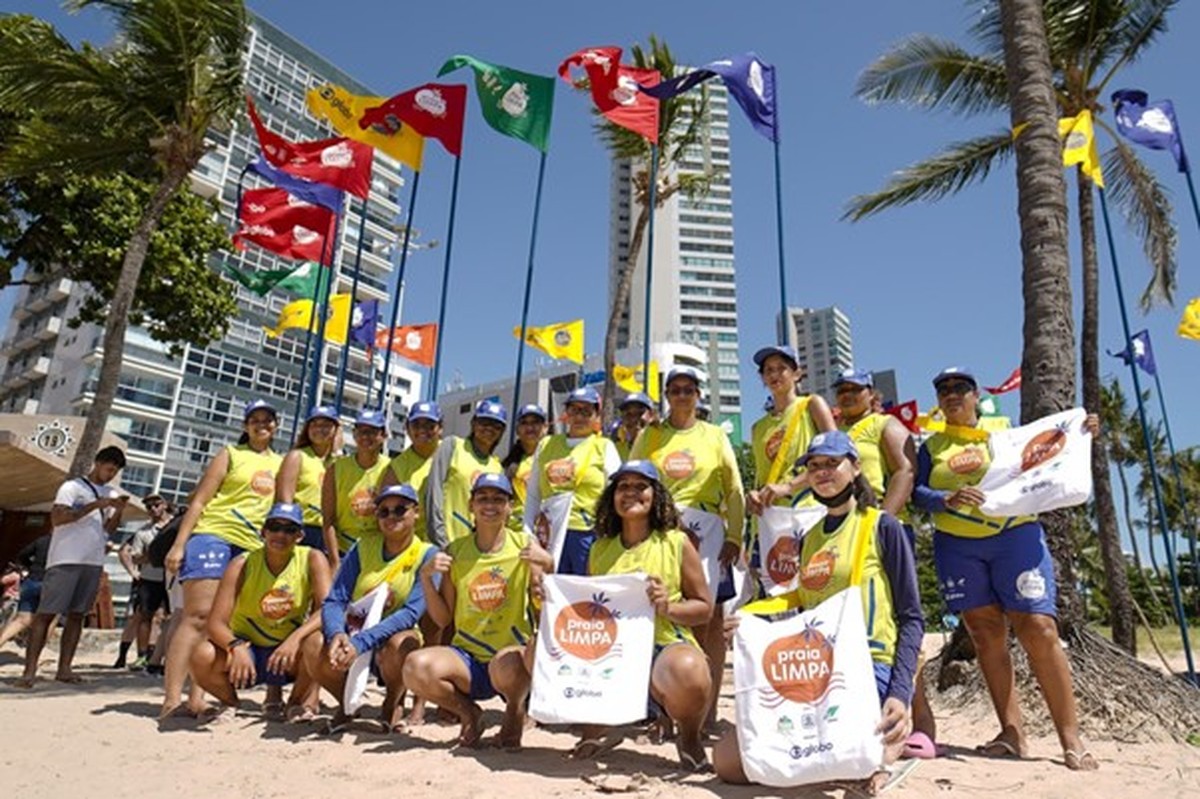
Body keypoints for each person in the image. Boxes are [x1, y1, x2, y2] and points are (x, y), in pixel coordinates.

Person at [714, 431, 924, 791]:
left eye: (832, 463)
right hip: (816, 669)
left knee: (841, 752)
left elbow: (912, 617)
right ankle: (861, 762)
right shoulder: (809, 536)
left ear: (855, 468)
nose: (822, 472)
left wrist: (900, 693)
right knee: (729, 762)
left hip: (868, 667)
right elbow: (800, 598)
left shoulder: (881, 526)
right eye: (814, 466)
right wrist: (749, 616)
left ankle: (880, 757)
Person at [913, 367, 1099, 771]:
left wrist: (1083, 430)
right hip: (958, 546)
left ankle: (1071, 737)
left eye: (960, 387)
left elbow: (1049, 448)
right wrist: (945, 498)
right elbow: (918, 493)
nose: (951, 394)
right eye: (943, 389)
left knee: (1038, 627)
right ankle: (1011, 733)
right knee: (985, 634)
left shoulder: (1005, 429)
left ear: (975, 395)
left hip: (1015, 538)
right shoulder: (932, 445)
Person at [630, 366, 744, 730]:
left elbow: (735, 488)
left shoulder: (713, 436)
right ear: (666, 395)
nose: (681, 395)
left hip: (708, 531)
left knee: (710, 620)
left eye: (688, 389)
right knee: (660, 611)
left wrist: (735, 536)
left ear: (698, 395)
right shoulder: (651, 435)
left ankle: (705, 712)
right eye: (675, 389)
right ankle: (662, 710)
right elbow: (632, 478)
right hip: (661, 530)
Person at [580, 460, 714, 771]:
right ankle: (599, 728)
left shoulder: (676, 543)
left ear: (656, 495)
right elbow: (590, 609)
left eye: (640, 486)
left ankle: (690, 735)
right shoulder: (600, 550)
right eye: (622, 486)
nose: (631, 493)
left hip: (664, 646)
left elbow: (704, 609)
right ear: (612, 496)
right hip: (613, 649)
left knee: (689, 670)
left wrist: (669, 607)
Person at [403, 473, 552, 749]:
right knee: (415, 667)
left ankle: (514, 712)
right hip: (467, 658)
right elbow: (443, 618)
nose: (490, 505)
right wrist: (425, 579)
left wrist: (550, 565)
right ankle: (469, 713)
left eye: (499, 499)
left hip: (509, 657)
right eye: (482, 498)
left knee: (509, 662)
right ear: (471, 505)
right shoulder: (456, 551)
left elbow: (546, 600)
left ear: (509, 507)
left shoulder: (524, 546)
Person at [832, 368, 936, 755]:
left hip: (881, 529)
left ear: (871, 393)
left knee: (901, 622)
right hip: (845, 531)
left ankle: (922, 722)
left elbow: (905, 471)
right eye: (841, 390)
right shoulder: (837, 432)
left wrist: (884, 519)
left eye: (854, 389)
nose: (846, 395)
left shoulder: (884, 424)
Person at [161, 399, 283, 720]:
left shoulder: (283, 464)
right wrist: (178, 544)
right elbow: (200, 500)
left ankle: (197, 697)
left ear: (276, 426)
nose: (261, 424)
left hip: (251, 546)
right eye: (254, 420)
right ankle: (172, 700)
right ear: (245, 426)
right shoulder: (230, 453)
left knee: (222, 623)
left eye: (267, 419)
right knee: (198, 616)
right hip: (214, 534)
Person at [306, 484, 436, 733]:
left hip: (392, 638)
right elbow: (335, 599)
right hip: (354, 631)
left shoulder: (427, 554)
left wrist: (362, 643)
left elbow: (410, 613)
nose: (391, 517)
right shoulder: (362, 547)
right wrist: (336, 634)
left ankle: (392, 703)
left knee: (402, 644)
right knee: (313, 644)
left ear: (416, 512)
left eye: (400, 510)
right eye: (384, 511)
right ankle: (346, 704)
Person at [190, 502, 331, 723]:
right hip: (250, 649)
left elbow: (327, 609)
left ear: (300, 535)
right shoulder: (242, 564)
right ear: (263, 531)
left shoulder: (312, 558)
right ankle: (230, 702)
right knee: (202, 655)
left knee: (318, 644)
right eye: (274, 527)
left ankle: (295, 703)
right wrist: (236, 647)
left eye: (289, 529)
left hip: (288, 653)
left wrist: (295, 639)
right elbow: (215, 623)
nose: (280, 534)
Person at [18, 446, 128, 688]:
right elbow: (57, 519)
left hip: (93, 561)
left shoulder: (110, 492)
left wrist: (117, 512)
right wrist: (93, 505)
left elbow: (108, 530)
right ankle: (29, 671)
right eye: (109, 469)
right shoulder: (72, 487)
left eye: (115, 472)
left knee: (77, 615)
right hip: (65, 558)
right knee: (46, 614)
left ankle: (65, 668)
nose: (110, 475)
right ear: (98, 463)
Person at [524, 387, 620, 575]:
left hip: (586, 534)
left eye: (586, 411)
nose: (579, 416)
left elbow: (614, 493)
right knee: (548, 593)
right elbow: (534, 493)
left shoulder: (604, 447)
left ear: (596, 415)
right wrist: (528, 532)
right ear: (566, 413)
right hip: (549, 533)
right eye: (574, 410)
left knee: (581, 592)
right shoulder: (546, 444)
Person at [425, 400, 507, 548]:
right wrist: (440, 542)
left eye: (496, 425)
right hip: (444, 546)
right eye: (484, 422)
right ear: (474, 423)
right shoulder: (452, 446)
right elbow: (433, 492)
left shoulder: (497, 467)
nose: (489, 428)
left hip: (475, 553)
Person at [322, 409, 390, 568]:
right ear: (354, 434)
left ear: (383, 435)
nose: (366, 437)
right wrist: (335, 561)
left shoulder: (391, 469)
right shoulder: (336, 469)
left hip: (377, 551)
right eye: (361, 431)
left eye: (372, 432)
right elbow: (328, 521)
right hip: (343, 550)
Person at [113, 494, 174, 669]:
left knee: (167, 617)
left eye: (156, 505)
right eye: (149, 507)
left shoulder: (176, 526)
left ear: (164, 505)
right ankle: (142, 655)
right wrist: (140, 565)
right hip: (150, 578)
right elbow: (131, 554)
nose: (153, 509)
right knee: (143, 617)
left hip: (171, 578)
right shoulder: (143, 532)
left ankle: (162, 655)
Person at [276, 405, 340, 552]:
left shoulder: (338, 463)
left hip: (329, 532)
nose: (319, 429)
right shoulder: (297, 456)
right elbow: (285, 500)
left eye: (326, 425)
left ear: (336, 430)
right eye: (314, 424)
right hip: (303, 528)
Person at [379, 400, 443, 544]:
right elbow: (385, 512)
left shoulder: (453, 454)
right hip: (415, 547)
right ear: (407, 428)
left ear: (440, 428)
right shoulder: (397, 468)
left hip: (454, 544)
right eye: (416, 425)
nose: (422, 430)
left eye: (429, 425)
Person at [502, 403, 548, 533]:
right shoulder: (509, 465)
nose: (530, 427)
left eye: (535, 423)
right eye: (524, 423)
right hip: (517, 531)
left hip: (547, 531)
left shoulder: (555, 458)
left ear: (545, 427)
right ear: (517, 430)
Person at [0, 534, 51, 650]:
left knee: (22, 620)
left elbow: (22, 555)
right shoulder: (66, 543)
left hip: (32, 580)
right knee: (50, 620)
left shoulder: (42, 540)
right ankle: (35, 656)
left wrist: (31, 567)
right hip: (51, 583)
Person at [613, 392, 655, 461]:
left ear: (651, 415)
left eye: (640, 413)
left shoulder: (661, 446)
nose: (634, 419)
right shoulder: (617, 451)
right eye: (628, 414)